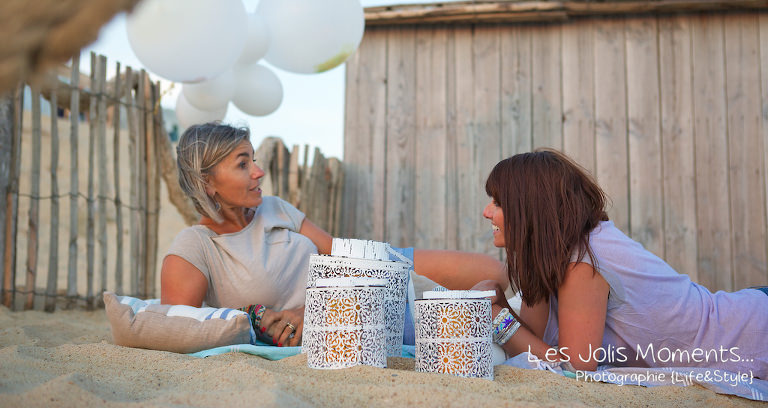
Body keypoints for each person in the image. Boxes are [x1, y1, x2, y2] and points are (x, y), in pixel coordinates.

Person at [161, 122, 508, 347]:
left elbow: (339, 252)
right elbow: (179, 329)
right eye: (242, 164)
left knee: (495, 275)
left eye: (253, 159)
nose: (258, 171)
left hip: (367, 269)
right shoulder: (196, 248)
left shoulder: (274, 208)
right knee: (490, 312)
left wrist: (311, 307)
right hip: (347, 311)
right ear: (206, 182)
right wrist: (263, 316)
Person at [474, 149, 768, 378]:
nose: (487, 212)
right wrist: (499, 304)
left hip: (753, 335)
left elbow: (572, 372)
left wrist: (498, 318)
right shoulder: (552, 255)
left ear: (531, 209)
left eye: (498, 202)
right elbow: (533, 343)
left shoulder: (583, 262)